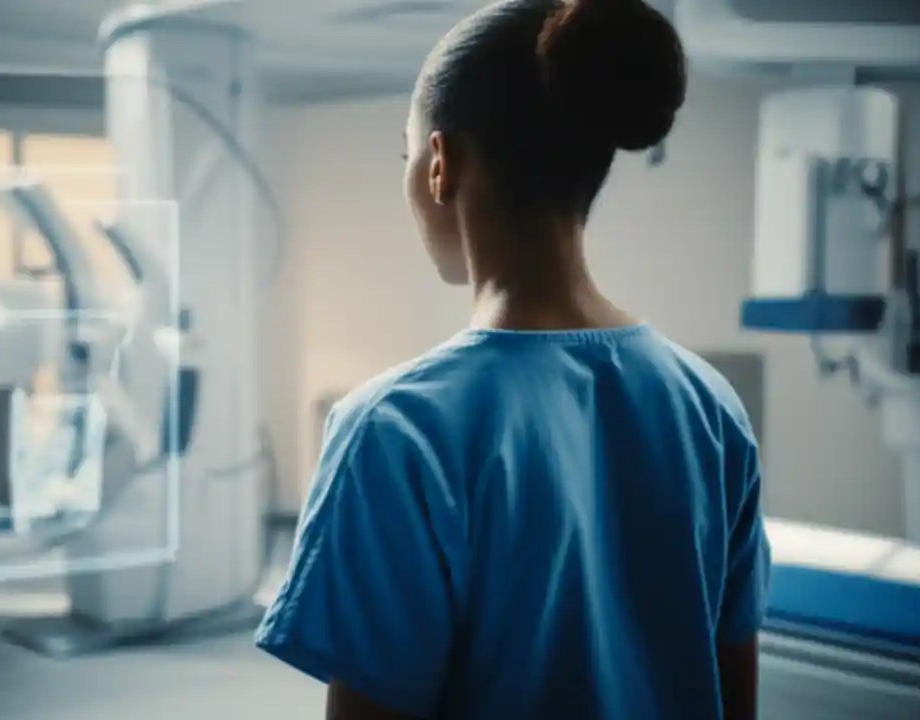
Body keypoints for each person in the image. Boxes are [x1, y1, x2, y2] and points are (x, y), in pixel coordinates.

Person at [254, 0, 771, 717]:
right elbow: (734, 694)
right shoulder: (709, 407)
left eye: (408, 156)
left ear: (440, 166)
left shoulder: (395, 429)